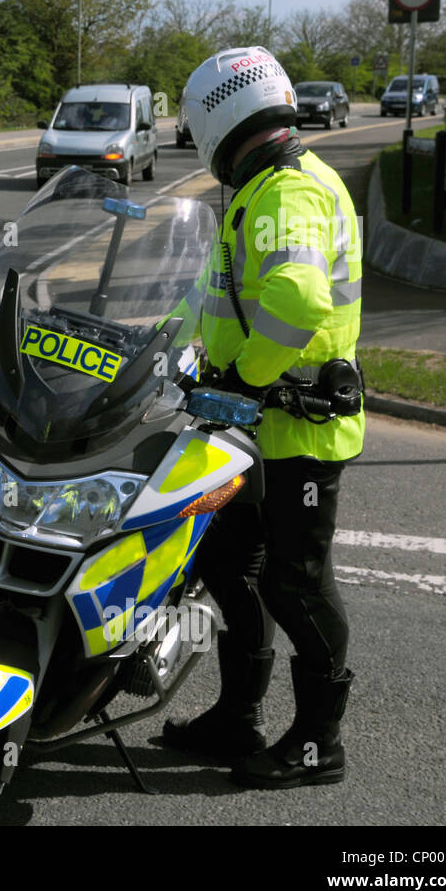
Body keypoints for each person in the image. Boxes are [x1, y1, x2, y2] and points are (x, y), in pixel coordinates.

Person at [159, 46, 363, 789]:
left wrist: (242, 378)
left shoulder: (285, 193)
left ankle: (318, 744)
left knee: (296, 583)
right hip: (254, 428)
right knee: (226, 562)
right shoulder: (267, 185)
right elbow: (225, 295)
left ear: (217, 116)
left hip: (297, 430)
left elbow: (299, 299)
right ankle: (235, 717)